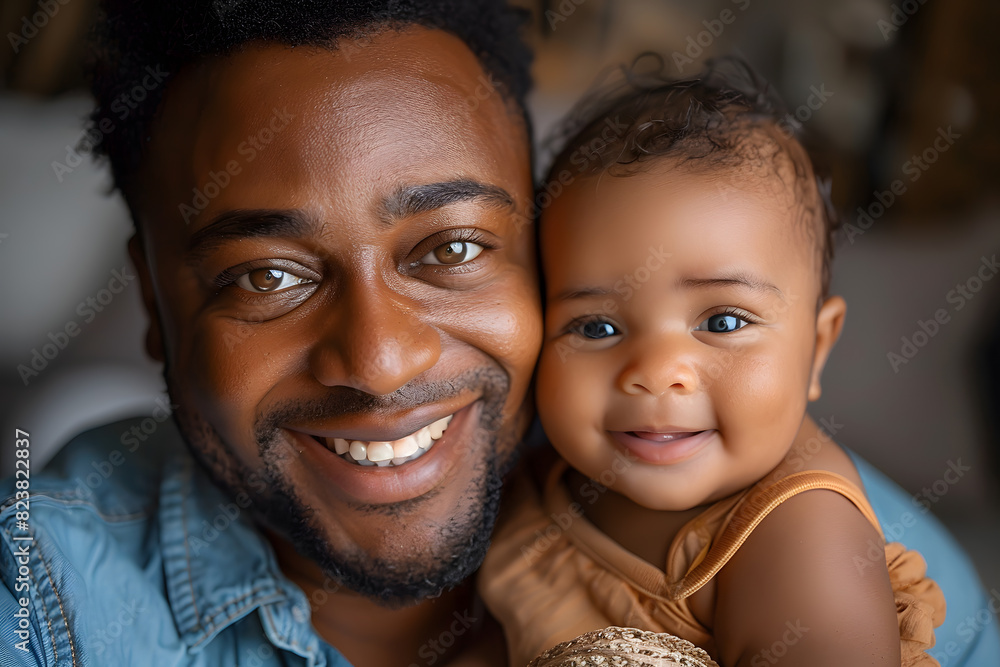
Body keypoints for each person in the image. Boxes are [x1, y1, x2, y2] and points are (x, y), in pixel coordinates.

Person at [0, 1, 542, 665]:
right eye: (266, 278)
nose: (379, 364)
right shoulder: (36, 595)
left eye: (453, 249)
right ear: (151, 299)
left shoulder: (686, 495)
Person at [478, 57, 1000, 667]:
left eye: (723, 322)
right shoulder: (547, 476)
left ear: (817, 349)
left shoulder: (799, 533)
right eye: (597, 326)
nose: (657, 370)